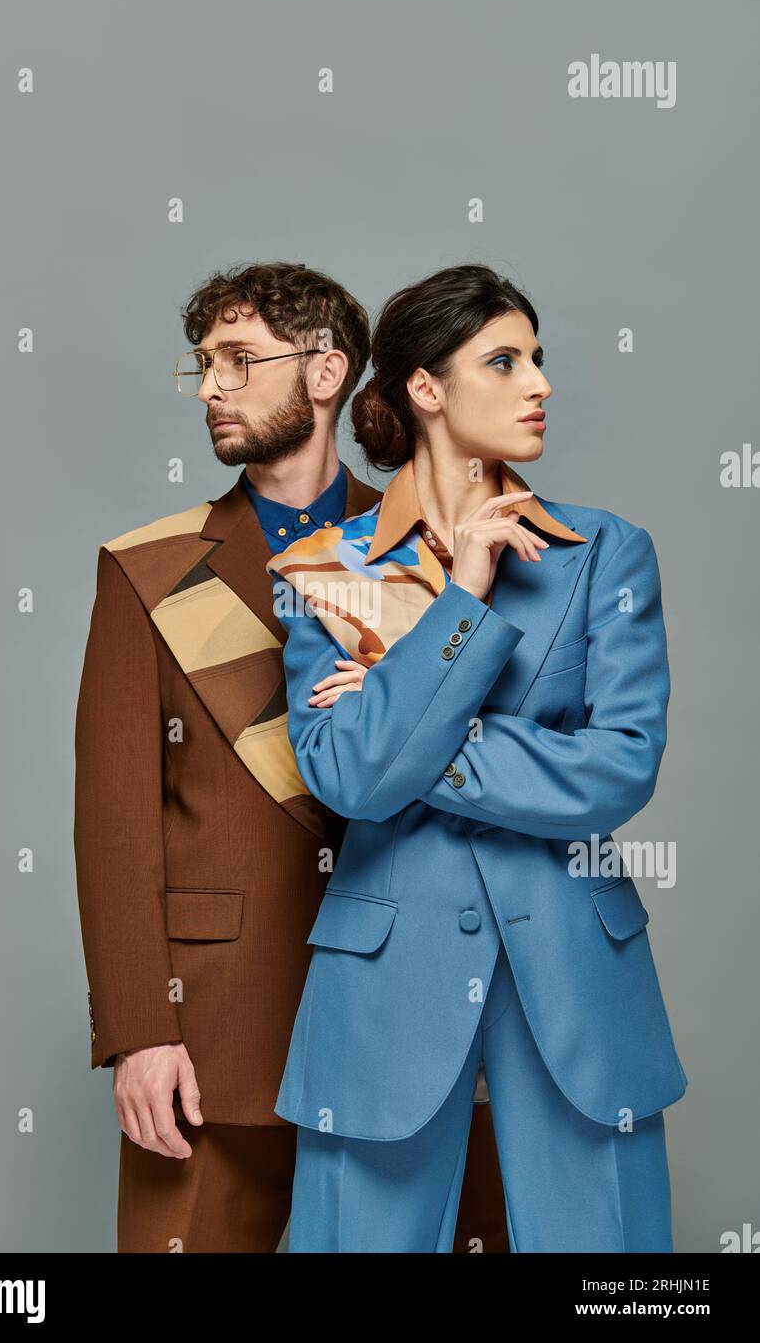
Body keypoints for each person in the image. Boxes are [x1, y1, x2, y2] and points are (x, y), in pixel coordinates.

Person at [73, 261, 508, 1252]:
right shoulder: (149, 566)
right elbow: (114, 826)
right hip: (213, 1032)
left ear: (325, 372)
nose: (212, 389)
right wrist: (141, 1030)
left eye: (238, 360)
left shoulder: (437, 543)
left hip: (418, 1010)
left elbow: (486, 772)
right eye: (203, 367)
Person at [266, 262, 688, 1253]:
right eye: (502, 361)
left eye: (537, 360)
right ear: (424, 388)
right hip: (383, 977)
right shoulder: (329, 571)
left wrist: (417, 729)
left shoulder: (603, 553)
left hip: (577, 972)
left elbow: (615, 769)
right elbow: (348, 778)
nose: (538, 382)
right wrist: (461, 594)